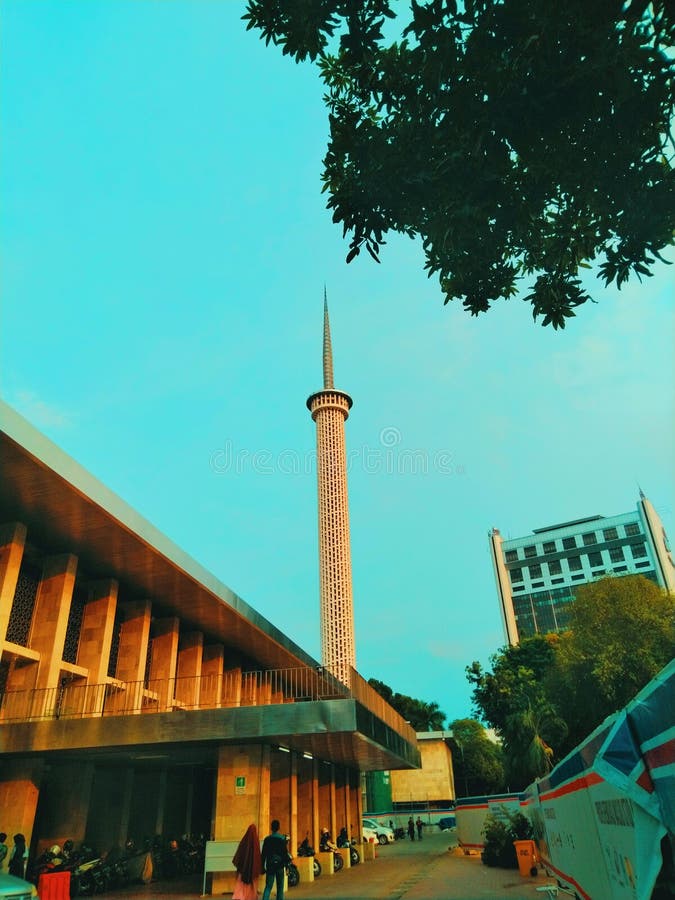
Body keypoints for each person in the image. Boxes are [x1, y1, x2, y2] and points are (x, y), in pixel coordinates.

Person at [232, 823, 262, 900]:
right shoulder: (256, 842)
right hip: (252, 872)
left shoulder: (244, 841)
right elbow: (258, 857)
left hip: (243, 871)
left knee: (241, 887)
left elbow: (239, 855)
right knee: (252, 888)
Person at [261, 820, 289, 900]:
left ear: (271, 828)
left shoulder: (267, 840)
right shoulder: (282, 839)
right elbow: (285, 854)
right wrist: (287, 867)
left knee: (268, 887)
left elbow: (263, 854)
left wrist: (262, 867)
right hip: (280, 866)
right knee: (280, 888)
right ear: (279, 828)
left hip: (270, 866)